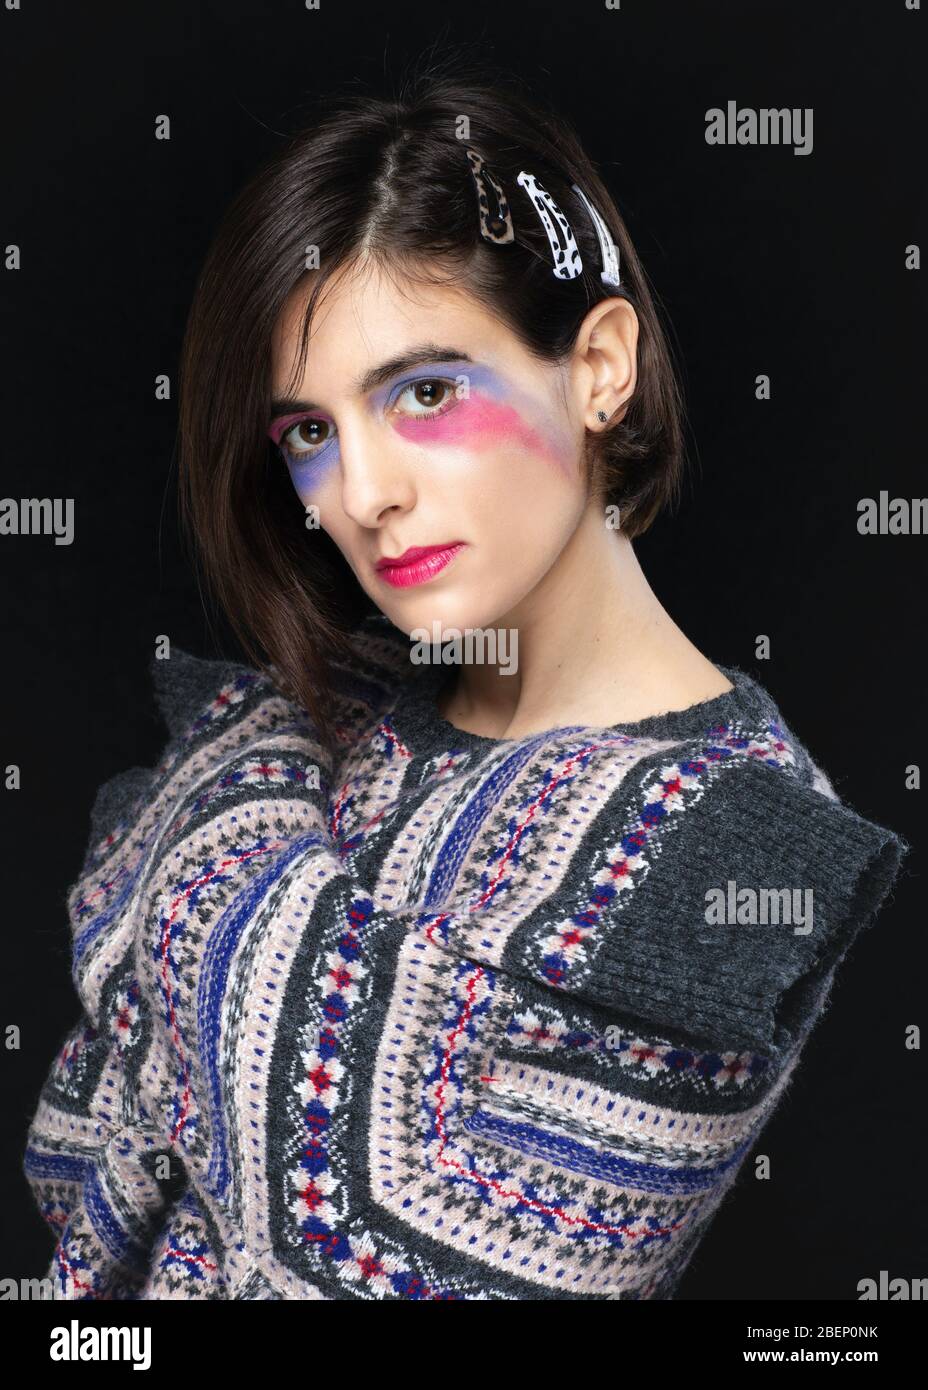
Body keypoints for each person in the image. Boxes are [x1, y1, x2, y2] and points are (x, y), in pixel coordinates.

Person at [22, 65, 907, 1301]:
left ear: (599, 367)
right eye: (308, 433)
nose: (364, 493)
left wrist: (206, 888)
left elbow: (359, 1238)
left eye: (424, 392)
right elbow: (79, 1146)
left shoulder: (738, 848)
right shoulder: (334, 708)